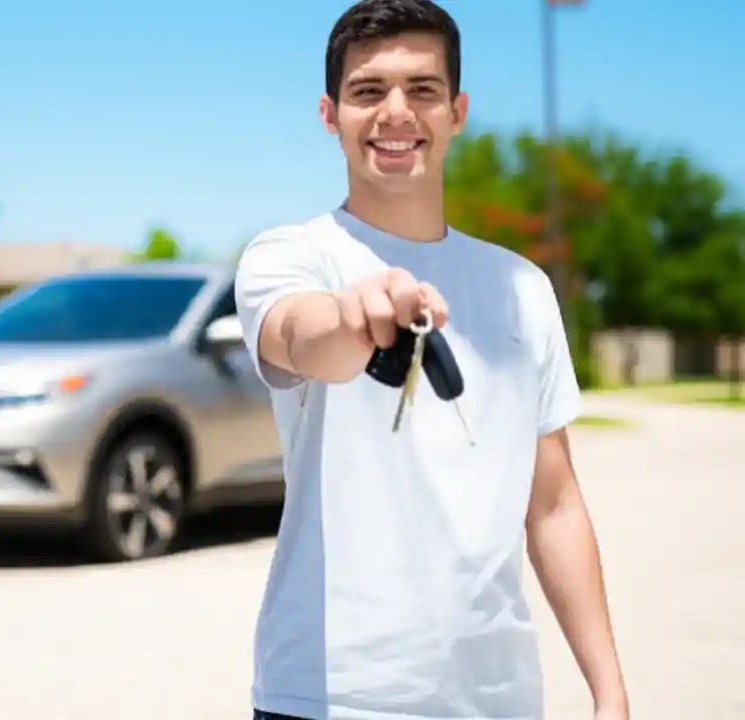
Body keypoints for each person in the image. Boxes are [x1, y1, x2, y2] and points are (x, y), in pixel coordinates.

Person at [233, 1, 629, 718]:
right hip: (328, 696)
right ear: (330, 114)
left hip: (499, 701)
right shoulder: (291, 256)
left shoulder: (522, 288)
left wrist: (610, 692)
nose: (395, 112)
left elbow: (555, 504)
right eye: (367, 91)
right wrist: (355, 316)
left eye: (421, 89)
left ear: (457, 111)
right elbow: (297, 336)